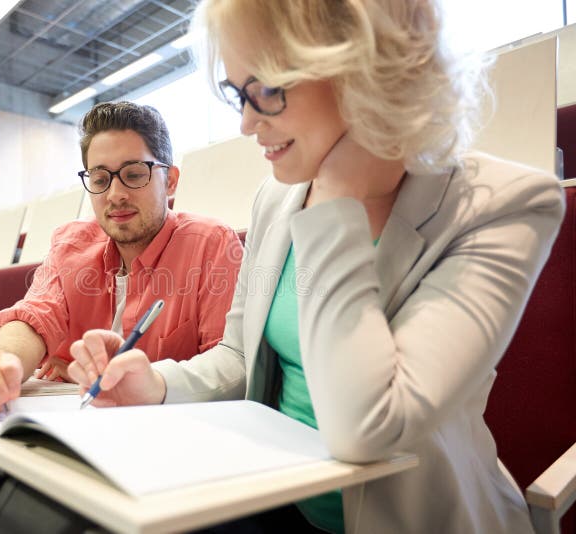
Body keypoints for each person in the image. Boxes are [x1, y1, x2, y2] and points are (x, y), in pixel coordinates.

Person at [67, 1, 565, 533]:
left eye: (266, 91)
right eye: (239, 95)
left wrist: (337, 198)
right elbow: (240, 353)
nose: (245, 122)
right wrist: (157, 385)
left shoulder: (505, 206)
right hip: (277, 497)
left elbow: (368, 430)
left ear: (363, 68)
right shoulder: (276, 197)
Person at [0, 101, 243, 533]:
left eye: (134, 174)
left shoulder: (210, 245)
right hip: (66, 428)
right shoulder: (72, 243)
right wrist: (3, 365)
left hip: (157, 443)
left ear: (170, 182)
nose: (115, 194)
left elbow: (230, 363)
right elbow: (35, 316)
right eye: (99, 178)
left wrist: (158, 383)